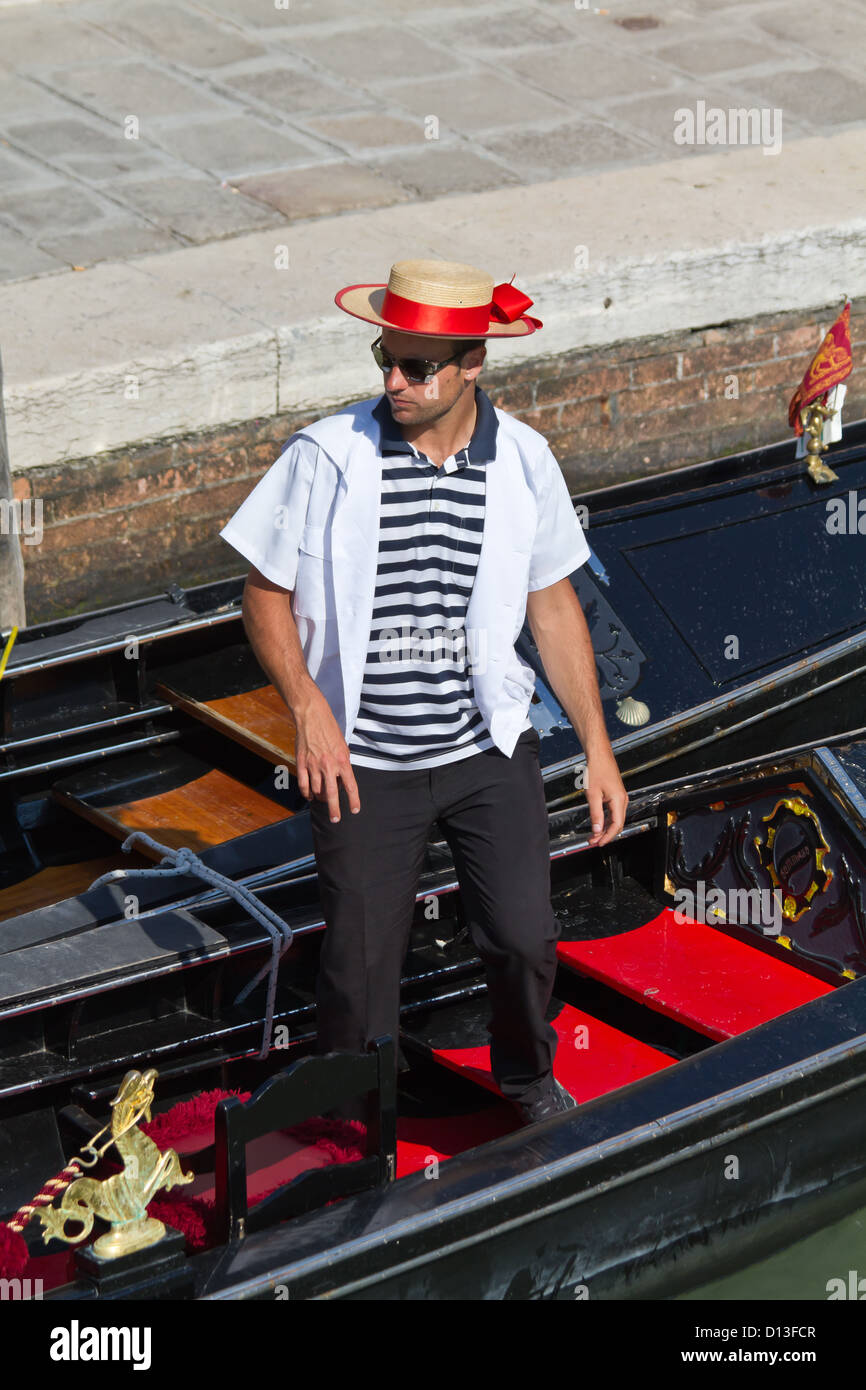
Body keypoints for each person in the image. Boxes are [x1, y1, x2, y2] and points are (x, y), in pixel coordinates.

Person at [220, 258, 628, 1124]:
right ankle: (352, 1132)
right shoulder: (328, 456)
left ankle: (526, 1083)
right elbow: (264, 593)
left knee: (523, 938)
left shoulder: (523, 460)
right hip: (364, 759)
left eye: (415, 367)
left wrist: (597, 748)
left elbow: (553, 606)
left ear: (472, 363)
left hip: (488, 747)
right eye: (384, 360)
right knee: (358, 974)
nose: (393, 382)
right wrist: (309, 710)